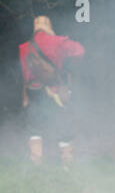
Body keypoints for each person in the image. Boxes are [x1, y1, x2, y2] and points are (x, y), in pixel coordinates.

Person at [19, 16, 84, 167]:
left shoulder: (23, 47)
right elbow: (80, 51)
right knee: (64, 126)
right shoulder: (59, 42)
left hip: (34, 91)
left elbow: (24, 73)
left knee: (35, 127)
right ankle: (67, 166)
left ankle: (36, 164)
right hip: (56, 90)